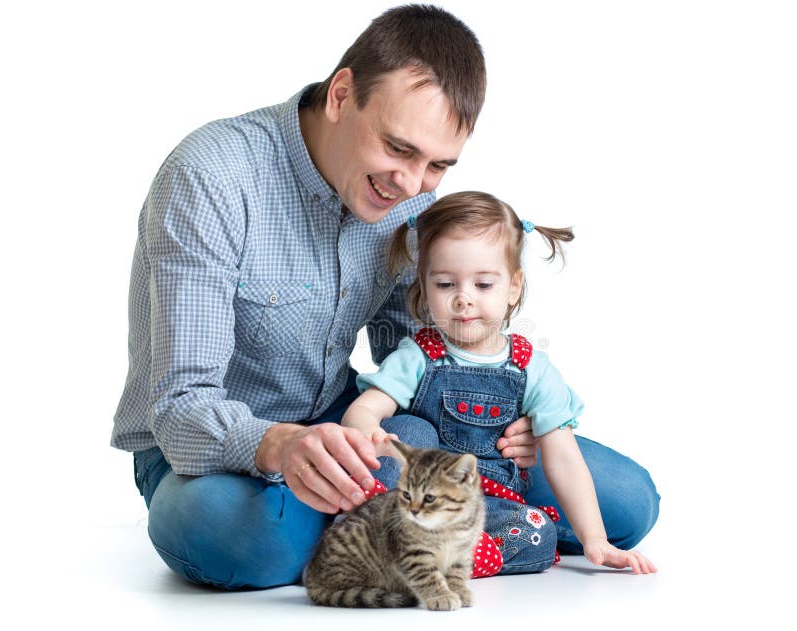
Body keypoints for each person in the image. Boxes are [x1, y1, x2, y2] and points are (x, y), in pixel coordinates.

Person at [112, 5, 658, 590]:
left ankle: (372, 522)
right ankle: (409, 528)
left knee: (628, 504)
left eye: (437, 165)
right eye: (398, 148)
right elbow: (181, 406)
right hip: (208, 448)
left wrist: (506, 421)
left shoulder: (409, 197)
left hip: (347, 420)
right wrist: (281, 445)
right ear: (342, 95)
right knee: (255, 538)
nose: (412, 185)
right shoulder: (212, 176)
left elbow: (418, 360)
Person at [343, 191, 657, 575]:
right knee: (404, 432)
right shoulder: (419, 356)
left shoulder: (531, 369)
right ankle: (380, 536)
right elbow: (365, 408)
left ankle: (446, 558)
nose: (463, 299)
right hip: (420, 502)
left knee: (538, 532)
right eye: (445, 284)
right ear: (424, 287)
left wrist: (595, 539)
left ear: (513, 287)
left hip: (489, 505)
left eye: (483, 285)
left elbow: (563, 458)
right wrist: (370, 430)